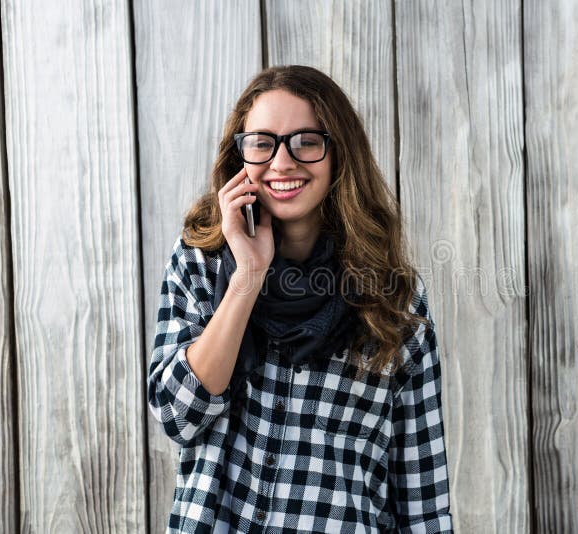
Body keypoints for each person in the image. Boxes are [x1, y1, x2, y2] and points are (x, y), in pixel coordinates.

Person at [147, 65, 452, 533]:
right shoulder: (201, 262)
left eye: (306, 141)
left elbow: (424, 501)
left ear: (338, 153)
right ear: (240, 155)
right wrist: (247, 277)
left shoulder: (395, 299)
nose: (282, 162)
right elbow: (177, 416)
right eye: (262, 143)